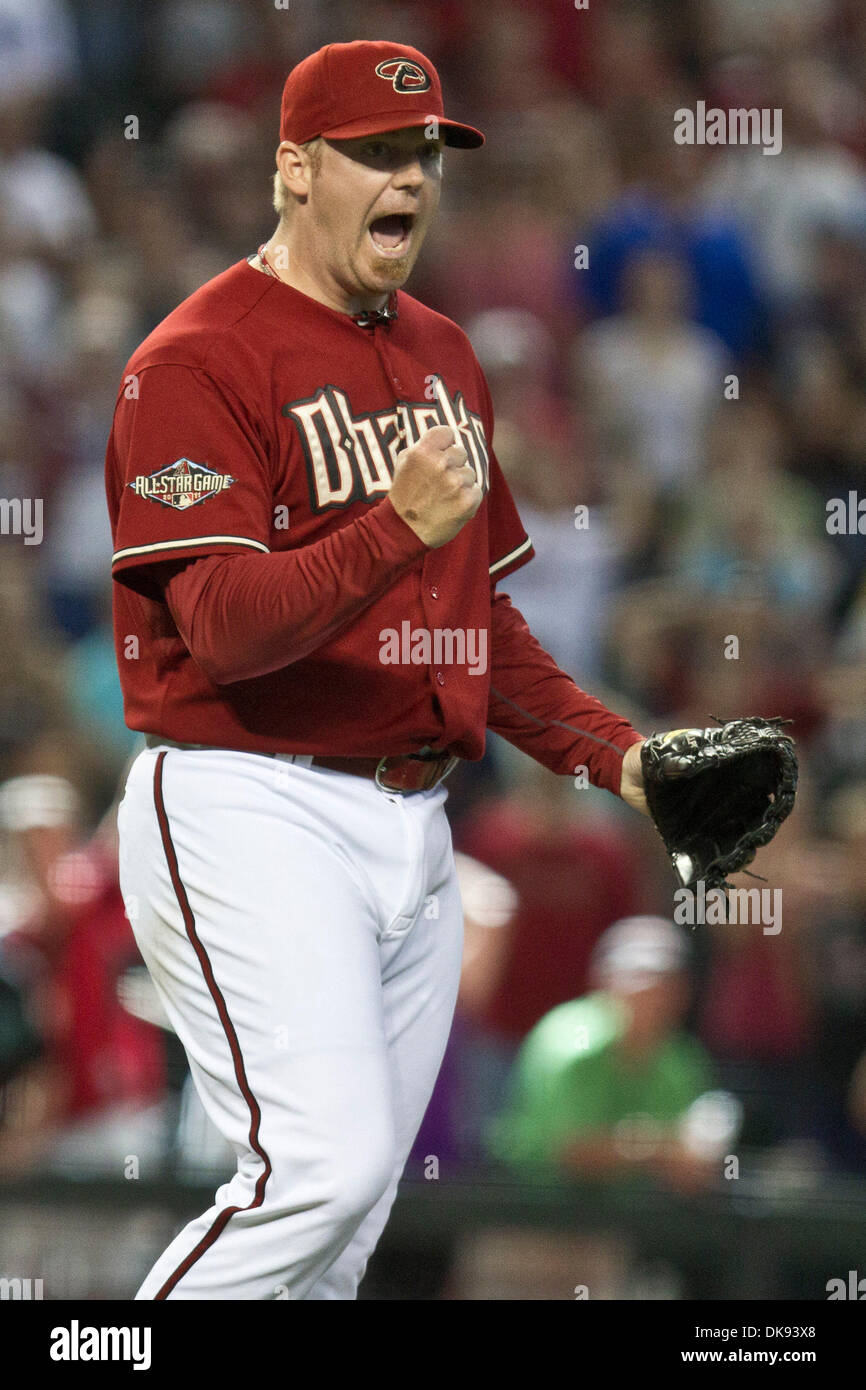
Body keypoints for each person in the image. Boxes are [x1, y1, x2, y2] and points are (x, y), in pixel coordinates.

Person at [104, 39, 652, 1301]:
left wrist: (616, 756)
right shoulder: (195, 359)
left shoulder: (445, 357)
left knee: (339, 1247)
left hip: (414, 821)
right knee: (320, 1172)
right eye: (372, 154)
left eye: (421, 154)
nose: (406, 175)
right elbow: (226, 625)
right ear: (294, 170)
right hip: (252, 797)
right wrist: (393, 525)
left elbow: (480, 625)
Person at [488, 916, 730, 1193]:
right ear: (602, 981)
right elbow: (572, 1153)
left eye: (664, 981)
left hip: (625, 1222)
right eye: (637, 978)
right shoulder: (572, 1046)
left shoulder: (680, 1059)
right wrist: (661, 1150)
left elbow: (692, 1159)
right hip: (532, 1214)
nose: (650, 992)